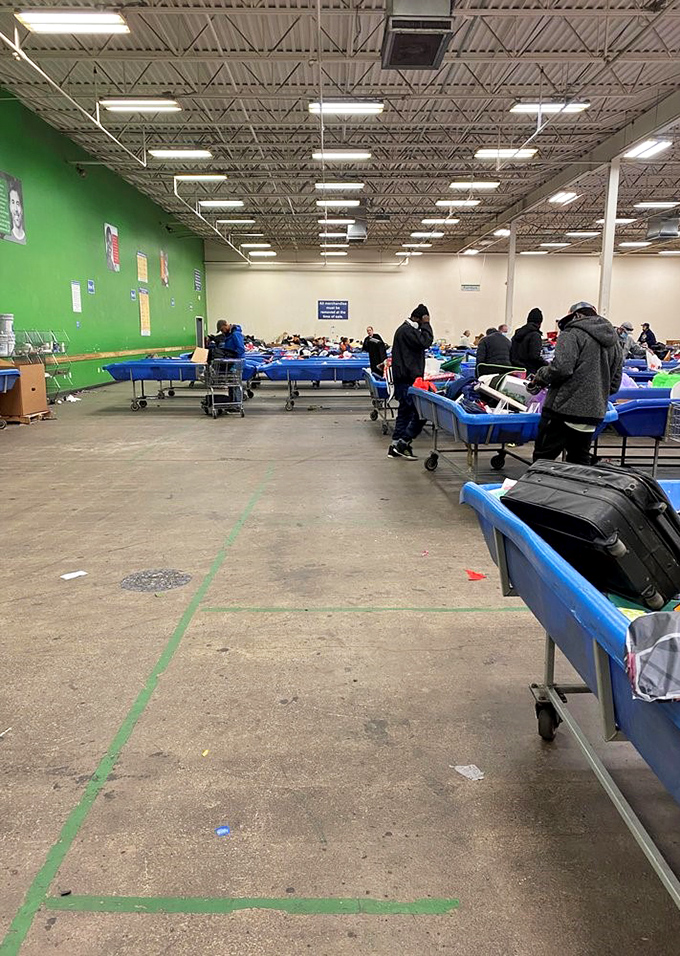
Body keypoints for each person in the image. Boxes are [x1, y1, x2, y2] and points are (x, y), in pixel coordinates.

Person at [530, 301, 622, 465]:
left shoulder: (572, 333)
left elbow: (561, 368)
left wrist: (541, 376)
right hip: (592, 414)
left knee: (542, 462)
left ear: (576, 316)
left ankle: (537, 490)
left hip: (562, 410)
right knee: (579, 463)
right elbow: (614, 384)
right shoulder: (614, 342)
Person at [388, 304, 434, 460]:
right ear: (417, 319)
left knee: (405, 412)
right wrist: (427, 324)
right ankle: (403, 442)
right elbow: (426, 341)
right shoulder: (408, 331)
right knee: (419, 413)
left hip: (404, 378)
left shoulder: (405, 330)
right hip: (407, 379)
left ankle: (396, 446)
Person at [510, 308, 548, 375]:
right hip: (529, 371)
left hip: (515, 371)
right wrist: (546, 364)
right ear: (540, 322)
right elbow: (534, 356)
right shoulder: (535, 335)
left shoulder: (516, 334)